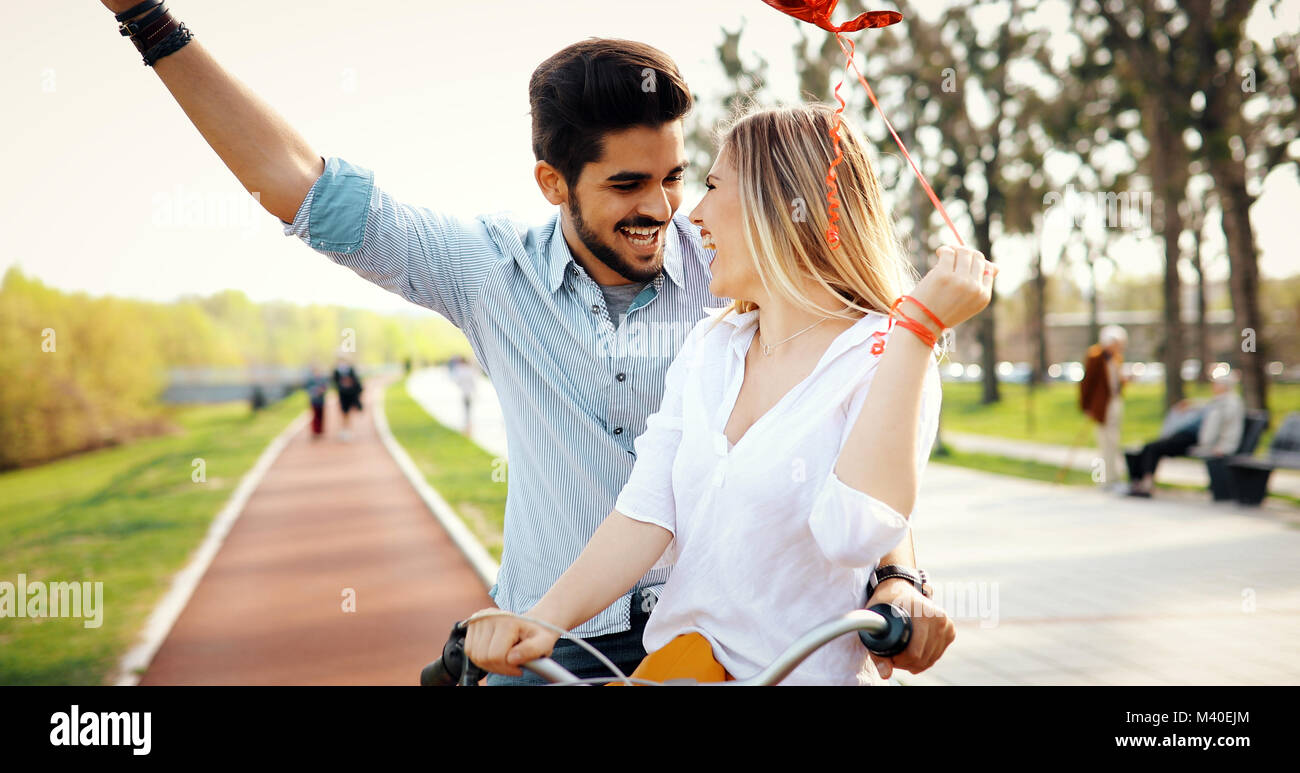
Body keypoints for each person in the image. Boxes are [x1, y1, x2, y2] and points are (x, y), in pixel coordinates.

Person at [94, 1, 951, 684]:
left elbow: (856, 426)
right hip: (554, 641)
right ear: (554, 182)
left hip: (734, 646)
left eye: (676, 177)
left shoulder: (738, 268)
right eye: (626, 185)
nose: (663, 210)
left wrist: (897, 573)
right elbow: (295, 181)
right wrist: (149, 19)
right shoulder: (483, 270)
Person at [465, 104, 985, 685]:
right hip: (677, 671)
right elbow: (646, 510)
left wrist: (916, 331)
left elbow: (856, 533)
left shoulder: (887, 357)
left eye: (713, 186)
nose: (695, 213)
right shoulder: (712, 344)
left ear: (783, 207)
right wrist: (542, 620)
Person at [1126, 370, 1245, 497]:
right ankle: (1139, 483)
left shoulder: (1231, 404)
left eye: (1216, 384)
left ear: (1225, 386)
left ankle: (1145, 484)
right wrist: (1191, 404)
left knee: (1152, 448)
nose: (1213, 386)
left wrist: (1224, 448)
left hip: (1194, 439)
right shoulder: (1219, 401)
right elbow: (1208, 407)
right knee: (1147, 447)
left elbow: (1233, 430)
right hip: (1191, 436)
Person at [1079, 325, 1128, 491]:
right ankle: (1105, 480)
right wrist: (1086, 406)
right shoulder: (1096, 357)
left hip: (1115, 403)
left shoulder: (1116, 358)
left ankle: (1115, 477)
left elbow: (1116, 383)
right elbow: (1087, 384)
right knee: (1105, 443)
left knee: (1114, 442)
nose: (1119, 347)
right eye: (1117, 343)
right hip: (1101, 406)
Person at [332, 355, 364, 441]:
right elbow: (334, 382)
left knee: (348, 412)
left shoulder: (351, 370)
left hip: (350, 395)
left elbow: (356, 382)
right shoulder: (337, 371)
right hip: (342, 395)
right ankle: (343, 429)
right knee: (343, 412)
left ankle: (348, 429)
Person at [447, 355, 478, 435]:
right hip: (469, 392)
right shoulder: (469, 370)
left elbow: (455, 380)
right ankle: (468, 426)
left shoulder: (460, 370)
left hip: (464, 393)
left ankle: (467, 426)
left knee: (465, 410)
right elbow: (473, 382)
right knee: (468, 410)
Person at [305, 364, 329, 439]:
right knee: (315, 416)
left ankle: (320, 431)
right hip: (314, 399)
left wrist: (322, 390)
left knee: (321, 416)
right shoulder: (311, 380)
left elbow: (326, 387)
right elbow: (307, 388)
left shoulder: (323, 379)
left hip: (321, 400)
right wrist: (315, 391)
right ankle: (315, 431)